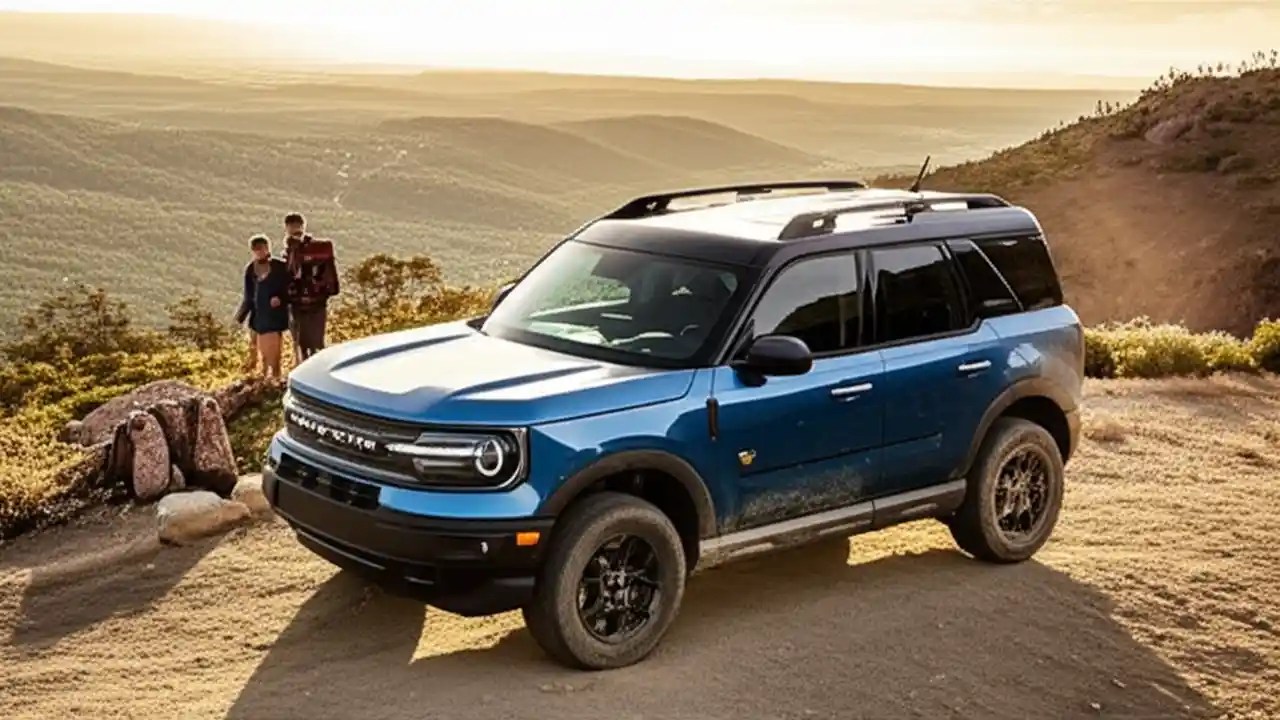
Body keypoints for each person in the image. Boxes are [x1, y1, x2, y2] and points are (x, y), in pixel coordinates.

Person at [281, 212, 340, 363]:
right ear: (286, 229)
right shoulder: (288, 252)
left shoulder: (317, 248)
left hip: (317, 301)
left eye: (297, 226)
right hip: (297, 303)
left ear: (303, 227)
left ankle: (318, 370)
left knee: (316, 342)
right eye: (291, 227)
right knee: (301, 343)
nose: (295, 230)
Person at [234, 234, 291, 380]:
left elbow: (290, 289)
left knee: (274, 357)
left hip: (275, 319)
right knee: (257, 356)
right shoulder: (251, 270)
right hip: (257, 319)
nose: (258, 252)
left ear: (267, 248)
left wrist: (281, 298)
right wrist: (239, 318)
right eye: (255, 249)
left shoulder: (280, 267)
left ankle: (276, 382)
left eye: (261, 248)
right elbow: (248, 297)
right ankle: (261, 383)